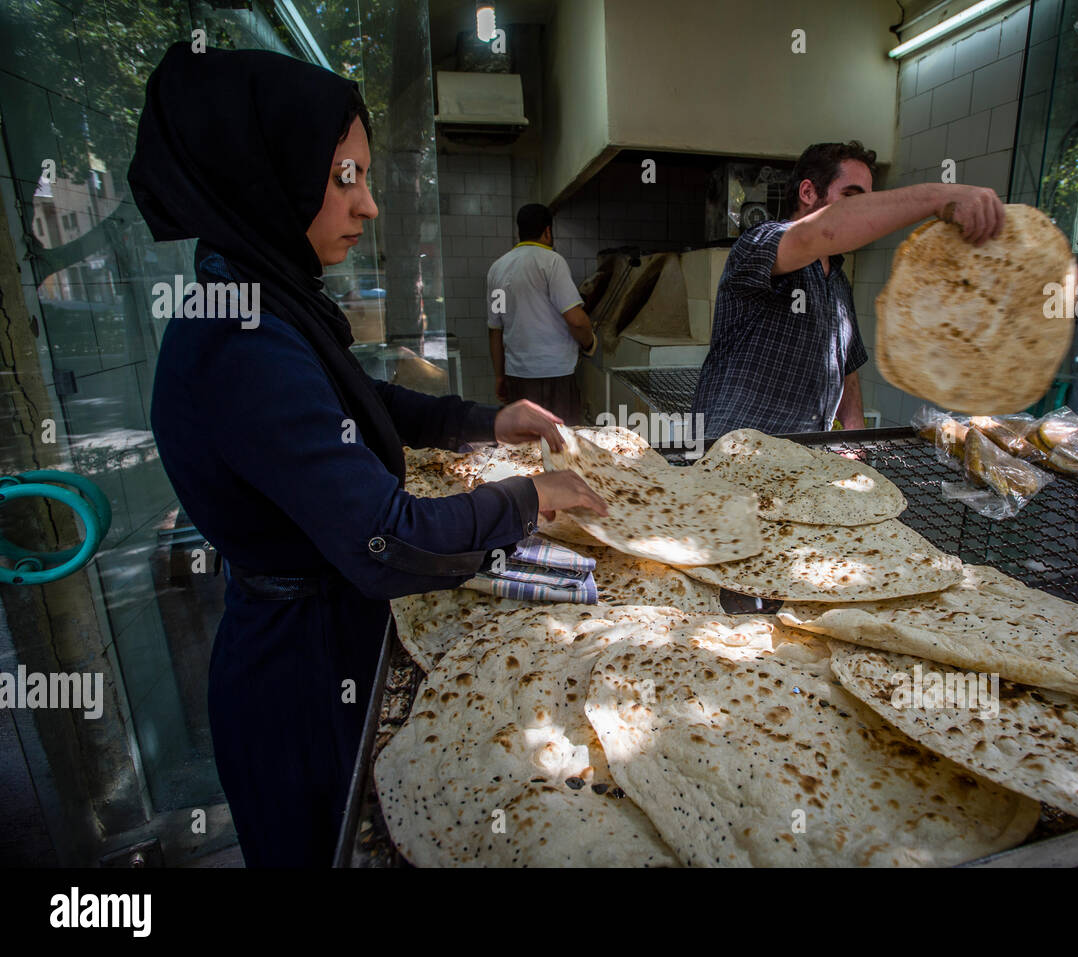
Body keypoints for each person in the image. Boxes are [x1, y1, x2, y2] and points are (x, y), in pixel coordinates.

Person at [128, 43, 606, 867]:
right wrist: (535, 499)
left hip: (321, 636)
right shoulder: (241, 341)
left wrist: (486, 421)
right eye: (346, 177)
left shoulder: (264, 297)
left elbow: (362, 405)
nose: (370, 205)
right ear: (269, 173)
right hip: (300, 682)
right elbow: (388, 540)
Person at [691, 140, 1006, 437]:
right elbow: (820, 231)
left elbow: (846, 367)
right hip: (733, 454)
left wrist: (855, 436)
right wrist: (939, 196)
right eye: (853, 198)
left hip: (796, 464)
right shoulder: (759, 242)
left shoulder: (838, 281)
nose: (863, 211)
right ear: (808, 192)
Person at [486, 204, 597, 424]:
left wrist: (500, 376)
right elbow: (576, 320)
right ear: (547, 231)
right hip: (555, 377)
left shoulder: (497, 269)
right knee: (561, 446)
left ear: (519, 231)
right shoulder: (551, 262)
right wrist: (589, 342)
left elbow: (495, 330)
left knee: (525, 448)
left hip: (517, 377)